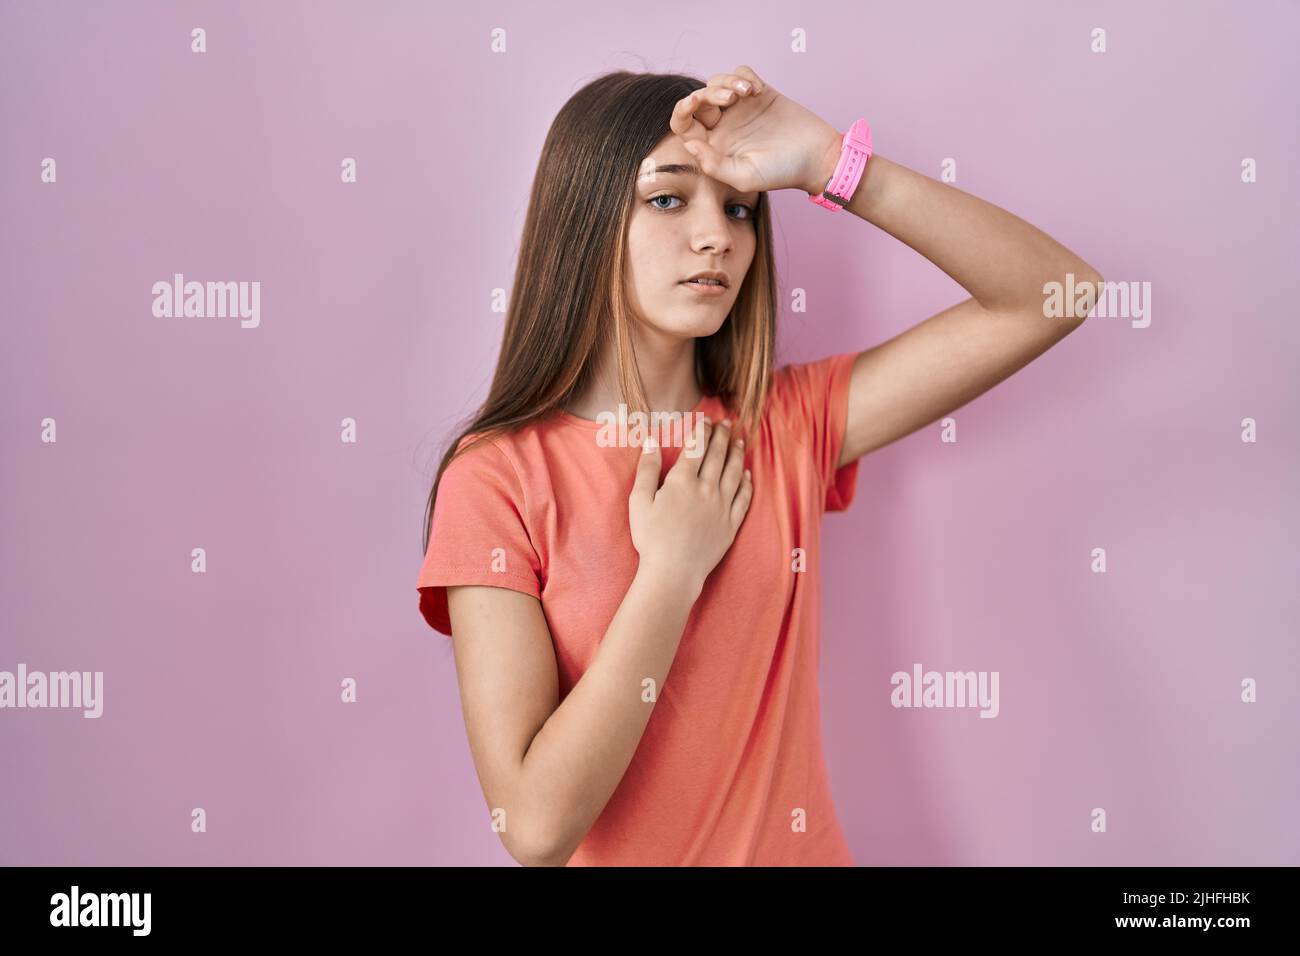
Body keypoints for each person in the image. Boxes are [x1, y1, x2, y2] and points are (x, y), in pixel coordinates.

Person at [416, 65, 1101, 866]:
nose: (718, 237)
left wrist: (829, 165)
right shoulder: (497, 477)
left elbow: (1054, 293)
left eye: (739, 208)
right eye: (668, 198)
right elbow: (534, 829)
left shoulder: (782, 424)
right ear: (584, 217)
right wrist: (670, 574)